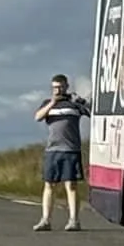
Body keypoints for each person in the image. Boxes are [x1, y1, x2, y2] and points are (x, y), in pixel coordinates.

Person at [32, 74, 89, 232]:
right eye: (55, 87)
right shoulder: (47, 104)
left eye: (61, 87)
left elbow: (92, 112)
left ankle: (74, 220)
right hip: (53, 150)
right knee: (49, 184)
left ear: (66, 86)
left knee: (71, 185)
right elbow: (37, 117)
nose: (58, 90)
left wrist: (81, 102)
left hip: (71, 149)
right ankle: (45, 220)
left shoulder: (74, 104)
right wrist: (52, 103)